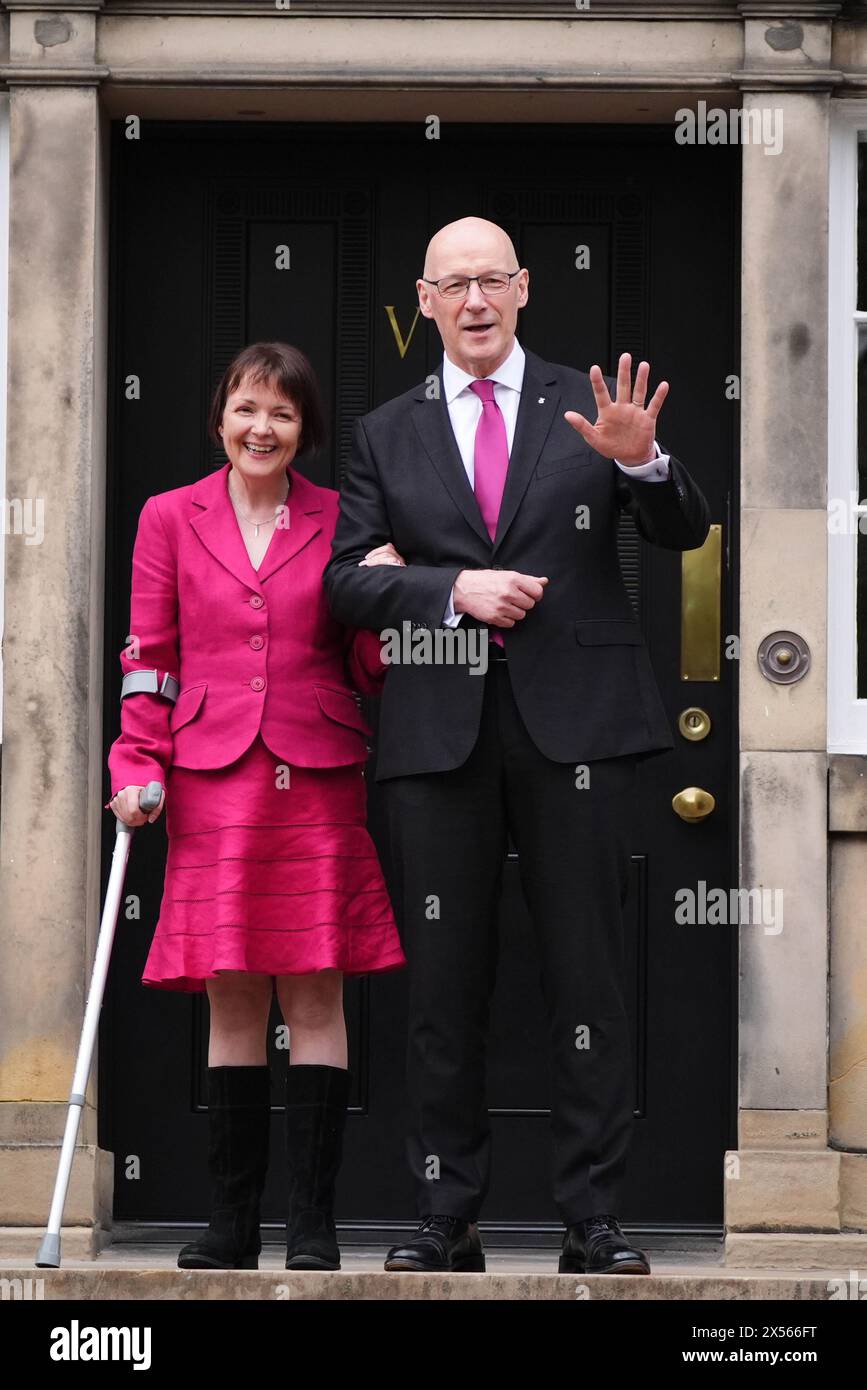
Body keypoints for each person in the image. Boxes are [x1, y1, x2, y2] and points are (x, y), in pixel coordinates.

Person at [324, 217, 711, 1275]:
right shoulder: (383, 431)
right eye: (455, 284)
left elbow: (684, 530)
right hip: (437, 737)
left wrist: (647, 463)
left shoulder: (591, 407)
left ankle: (593, 1219)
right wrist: (449, 586)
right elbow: (346, 581)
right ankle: (447, 1218)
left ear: (526, 288)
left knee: (588, 978)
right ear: (426, 298)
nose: (476, 299)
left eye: (493, 278)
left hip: (578, 727)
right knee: (442, 985)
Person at [107, 341, 406, 1273]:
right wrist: (134, 759)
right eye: (245, 409)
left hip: (315, 775)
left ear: (304, 430)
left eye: (280, 413)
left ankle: (311, 1228)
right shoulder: (167, 517)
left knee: (316, 986)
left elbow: (368, 665)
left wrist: (391, 597)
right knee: (232, 993)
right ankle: (233, 1227)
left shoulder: (342, 517)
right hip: (208, 776)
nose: (261, 428)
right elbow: (151, 655)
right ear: (219, 419)